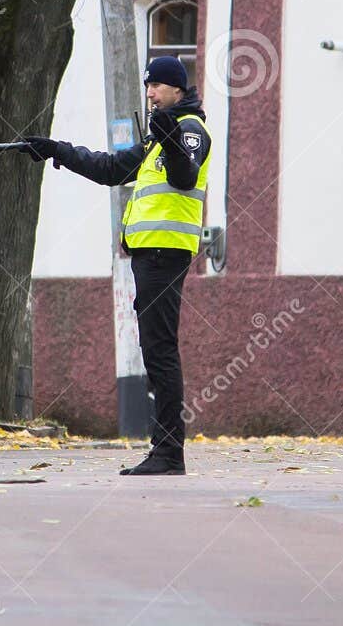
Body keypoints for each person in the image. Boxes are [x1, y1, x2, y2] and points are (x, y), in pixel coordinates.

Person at [21, 55, 211, 476]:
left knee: (161, 352)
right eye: (148, 87)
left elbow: (184, 175)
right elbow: (109, 169)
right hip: (149, 254)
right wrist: (58, 150)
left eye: (157, 86)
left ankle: (168, 453)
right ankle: (164, 450)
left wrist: (173, 142)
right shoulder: (157, 135)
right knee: (155, 350)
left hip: (166, 251)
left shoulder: (190, 130)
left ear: (178, 90)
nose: (150, 93)